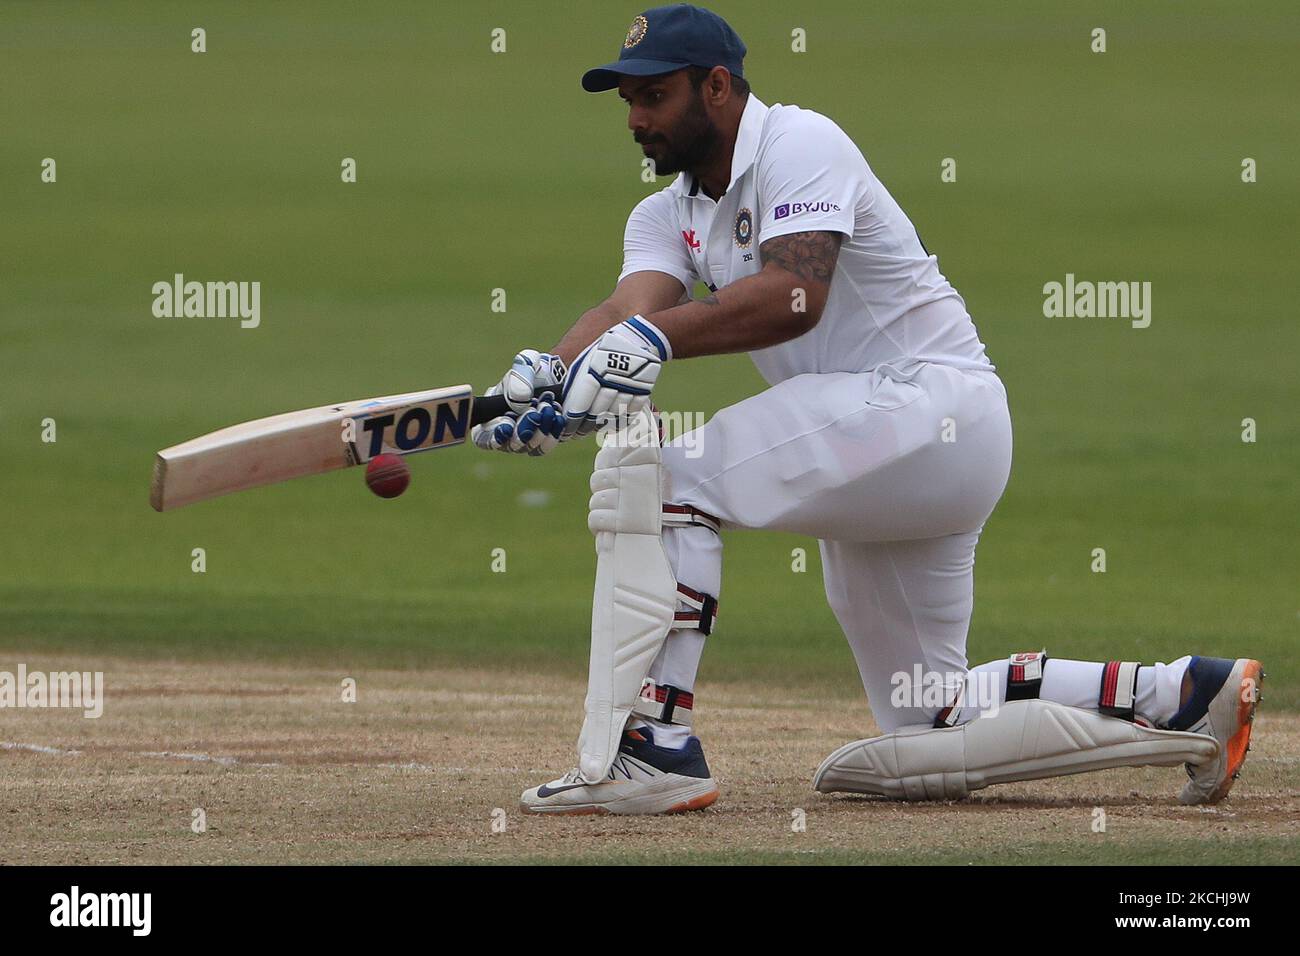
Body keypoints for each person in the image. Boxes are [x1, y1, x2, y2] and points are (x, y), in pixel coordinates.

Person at [472, 4, 1263, 814]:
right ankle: (1184, 692)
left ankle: (657, 747)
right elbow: (623, 311)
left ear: (717, 86)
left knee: (670, 480)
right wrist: (545, 378)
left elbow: (791, 295)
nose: (637, 119)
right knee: (932, 716)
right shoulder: (665, 214)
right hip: (879, 451)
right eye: (627, 100)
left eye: (655, 95)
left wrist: (648, 343)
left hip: (930, 407)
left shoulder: (799, 144)